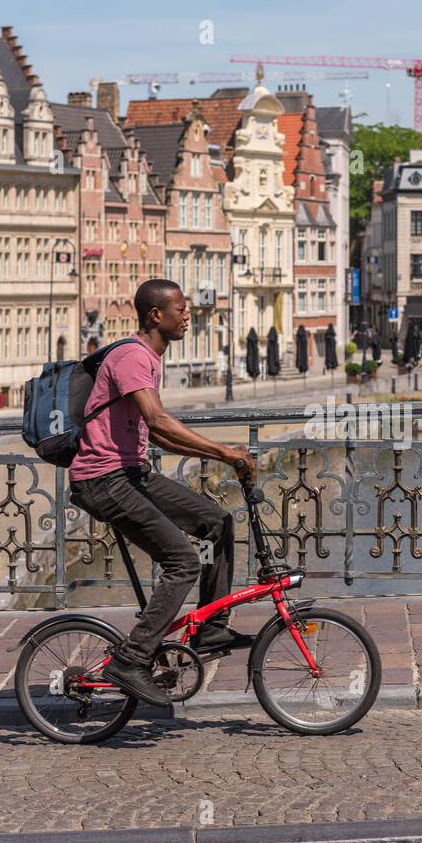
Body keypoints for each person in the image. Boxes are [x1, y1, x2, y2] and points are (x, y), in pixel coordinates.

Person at [69, 279, 256, 706]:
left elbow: (163, 438)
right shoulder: (133, 357)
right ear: (156, 315)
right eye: (181, 309)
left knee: (215, 522)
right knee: (182, 561)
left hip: (132, 473)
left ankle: (212, 624)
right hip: (104, 479)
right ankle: (131, 658)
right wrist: (226, 451)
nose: (187, 315)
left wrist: (225, 457)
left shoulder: (148, 358)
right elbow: (157, 421)